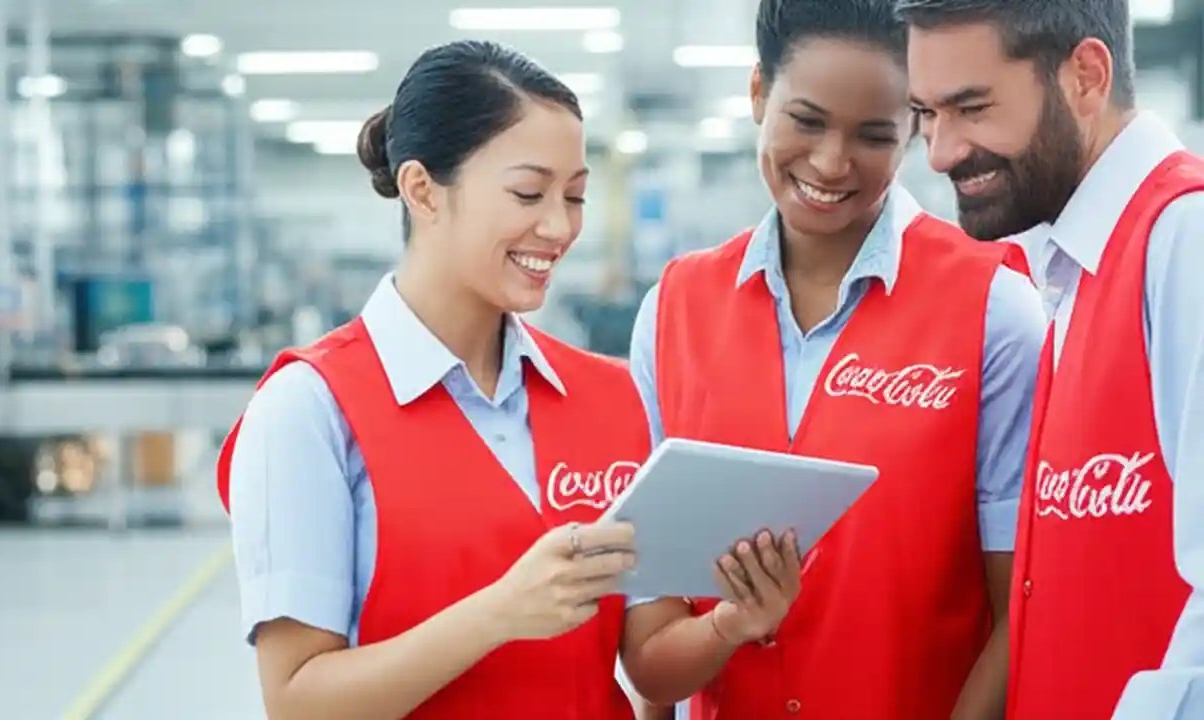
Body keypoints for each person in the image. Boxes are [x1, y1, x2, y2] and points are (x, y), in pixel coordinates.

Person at [617, 1, 1048, 718]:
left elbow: (1020, 614)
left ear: (913, 127)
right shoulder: (675, 311)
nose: (830, 163)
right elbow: (652, 663)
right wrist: (730, 623)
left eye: (874, 135)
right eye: (807, 120)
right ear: (759, 94)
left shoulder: (995, 311)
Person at [217, 40, 653, 720]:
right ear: (423, 190)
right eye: (528, 193)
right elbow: (299, 703)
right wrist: (498, 615)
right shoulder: (310, 410)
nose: (559, 226)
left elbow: (647, 660)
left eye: (575, 196)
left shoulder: (613, 398)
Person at [900, 1, 1204, 718]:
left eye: (971, 108)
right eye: (924, 114)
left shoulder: (1181, 243)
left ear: (1086, 77)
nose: (940, 151)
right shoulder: (1067, 271)